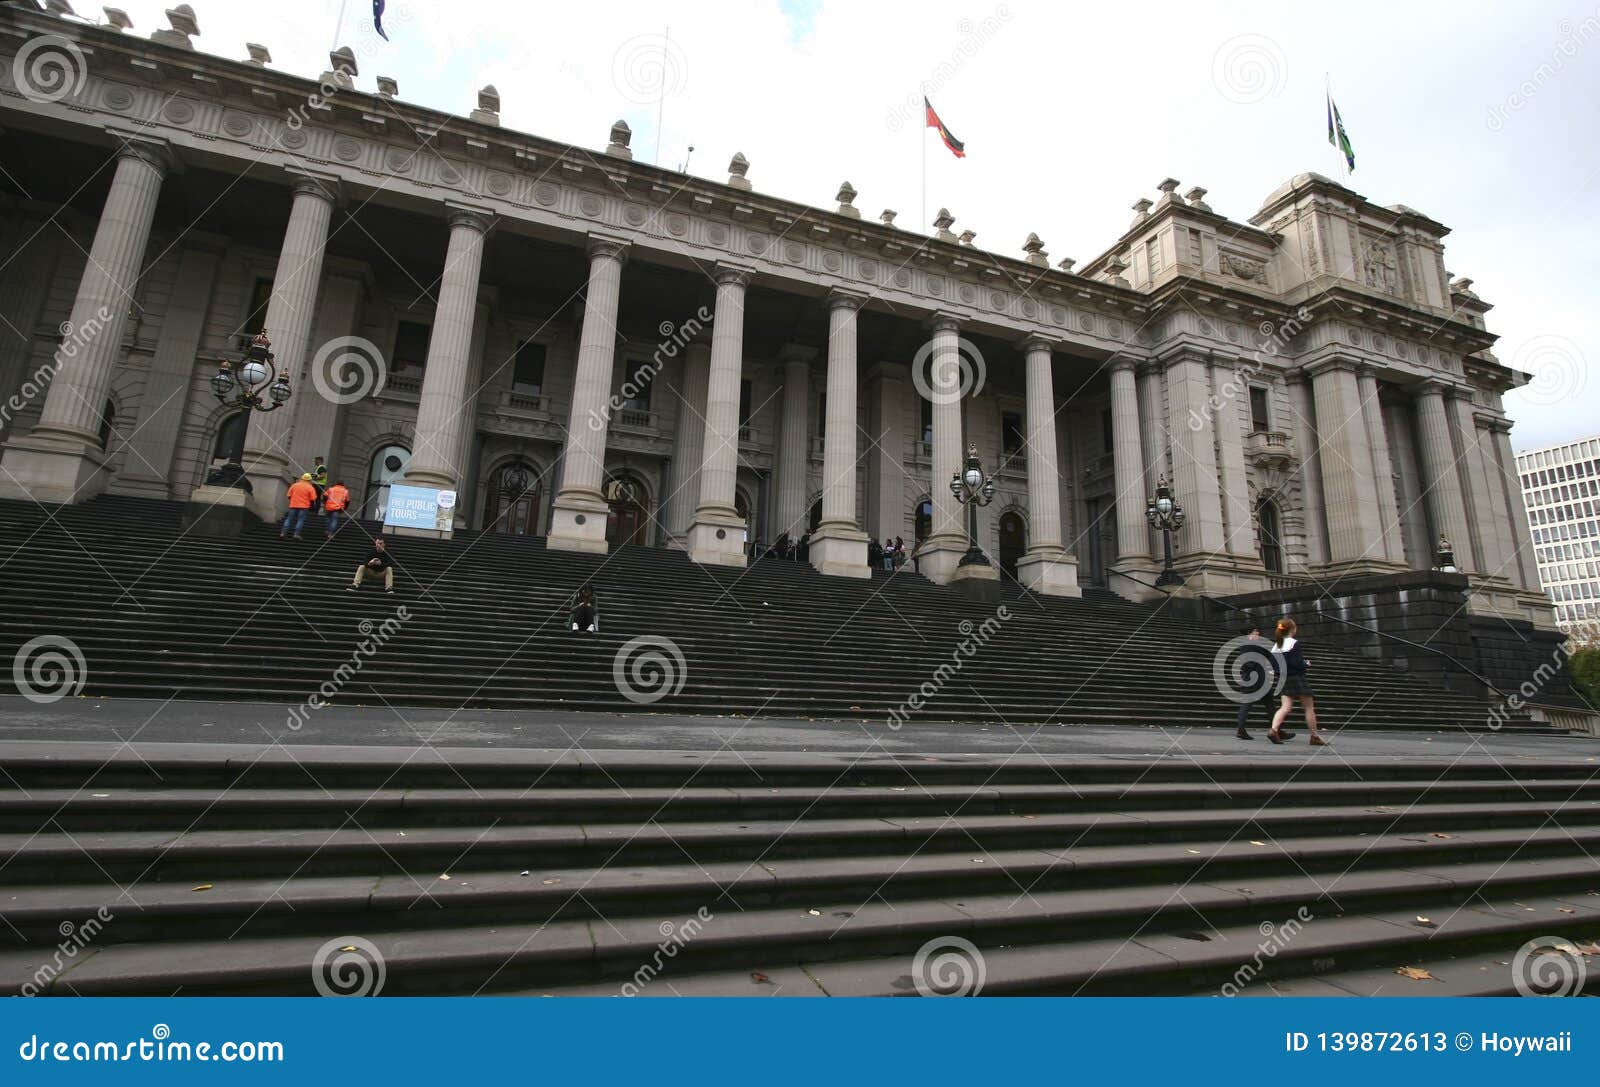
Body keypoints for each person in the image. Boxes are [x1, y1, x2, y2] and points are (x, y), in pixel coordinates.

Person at [1268, 618, 1327, 746]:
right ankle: (1314, 736)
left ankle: (1273, 730)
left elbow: (1274, 664)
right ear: (1293, 629)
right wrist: (1306, 663)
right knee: (1309, 707)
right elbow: (1296, 663)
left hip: (1283, 678)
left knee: (1285, 707)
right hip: (1296, 677)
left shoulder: (1276, 645)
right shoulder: (1294, 643)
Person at [1233, 625, 1290, 741]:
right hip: (1256, 680)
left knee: (1269, 705)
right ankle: (1242, 729)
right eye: (1255, 632)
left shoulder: (1245, 645)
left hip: (1252, 678)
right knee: (1255, 705)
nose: (1258, 633)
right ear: (1249, 633)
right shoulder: (1252, 645)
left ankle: (1277, 730)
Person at [281, 473, 317, 539]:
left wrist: (293, 500)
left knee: (289, 519)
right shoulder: (310, 487)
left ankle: (283, 533)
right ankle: (296, 534)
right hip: (304, 506)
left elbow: (288, 495)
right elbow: (313, 498)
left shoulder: (294, 485)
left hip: (293, 505)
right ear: (309, 480)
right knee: (300, 520)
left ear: (302, 478)